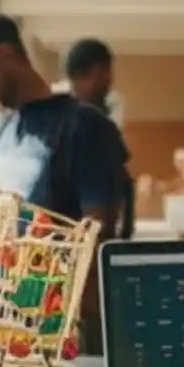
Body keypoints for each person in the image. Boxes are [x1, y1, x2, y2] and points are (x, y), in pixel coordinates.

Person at [0, 14, 125, 356]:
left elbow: (98, 230)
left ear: (5, 54)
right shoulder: (0, 131)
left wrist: (63, 305)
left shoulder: (83, 127)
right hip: (8, 315)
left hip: (70, 318)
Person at [64, 37, 135, 240]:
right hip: (86, 235)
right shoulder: (88, 124)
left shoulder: (98, 120)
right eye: (104, 72)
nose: (108, 81)